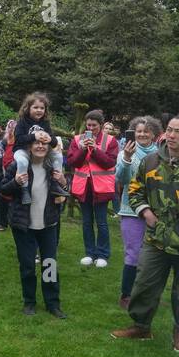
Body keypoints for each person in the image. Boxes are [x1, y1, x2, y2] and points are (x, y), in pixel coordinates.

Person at [110, 116, 179, 352]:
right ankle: (141, 326)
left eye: (178, 131)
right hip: (156, 238)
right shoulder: (151, 161)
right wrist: (146, 213)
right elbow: (135, 190)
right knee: (144, 284)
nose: (171, 135)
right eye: (169, 130)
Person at [3, 131, 68, 317]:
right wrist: (15, 182)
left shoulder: (52, 167)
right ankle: (29, 302)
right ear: (29, 146)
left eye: (44, 143)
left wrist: (63, 182)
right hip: (23, 226)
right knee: (28, 265)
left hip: (48, 224)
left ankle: (52, 303)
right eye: (36, 143)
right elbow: (1, 188)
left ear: (48, 147)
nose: (40, 146)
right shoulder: (18, 165)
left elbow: (64, 191)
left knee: (49, 264)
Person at [114, 116, 161, 309]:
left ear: (154, 134)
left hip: (156, 210)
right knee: (133, 253)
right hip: (131, 209)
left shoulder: (161, 153)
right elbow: (121, 179)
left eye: (146, 131)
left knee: (153, 254)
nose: (142, 134)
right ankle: (126, 294)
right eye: (139, 131)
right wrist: (126, 158)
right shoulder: (126, 152)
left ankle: (146, 293)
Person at [66, 109, 119, 267]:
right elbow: (72, 162)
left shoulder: (110, 141)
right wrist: (82, 149)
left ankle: (102, 254)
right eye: (88, 125)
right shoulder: (77, 140)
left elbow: (110, 162)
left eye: (94, 126)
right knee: (87, 222)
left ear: (101, 126)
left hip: (101, 187)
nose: (90, 129)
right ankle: (90, 253)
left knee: (102, 222)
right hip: (83, 187)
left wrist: (95, 149)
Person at [10, 92, 66, 204]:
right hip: (22, 150)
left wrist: (50, 139)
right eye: (35, 107)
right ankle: (25, 189)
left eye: (42, 108)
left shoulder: (45, 123)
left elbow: (54, 142)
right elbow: (19, 139)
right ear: (28, 108)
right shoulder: (22, 122)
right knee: (22, 162)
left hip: (40, 151)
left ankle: (56, 184)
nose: (39, 110)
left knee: (59, 156)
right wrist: (34, 136)